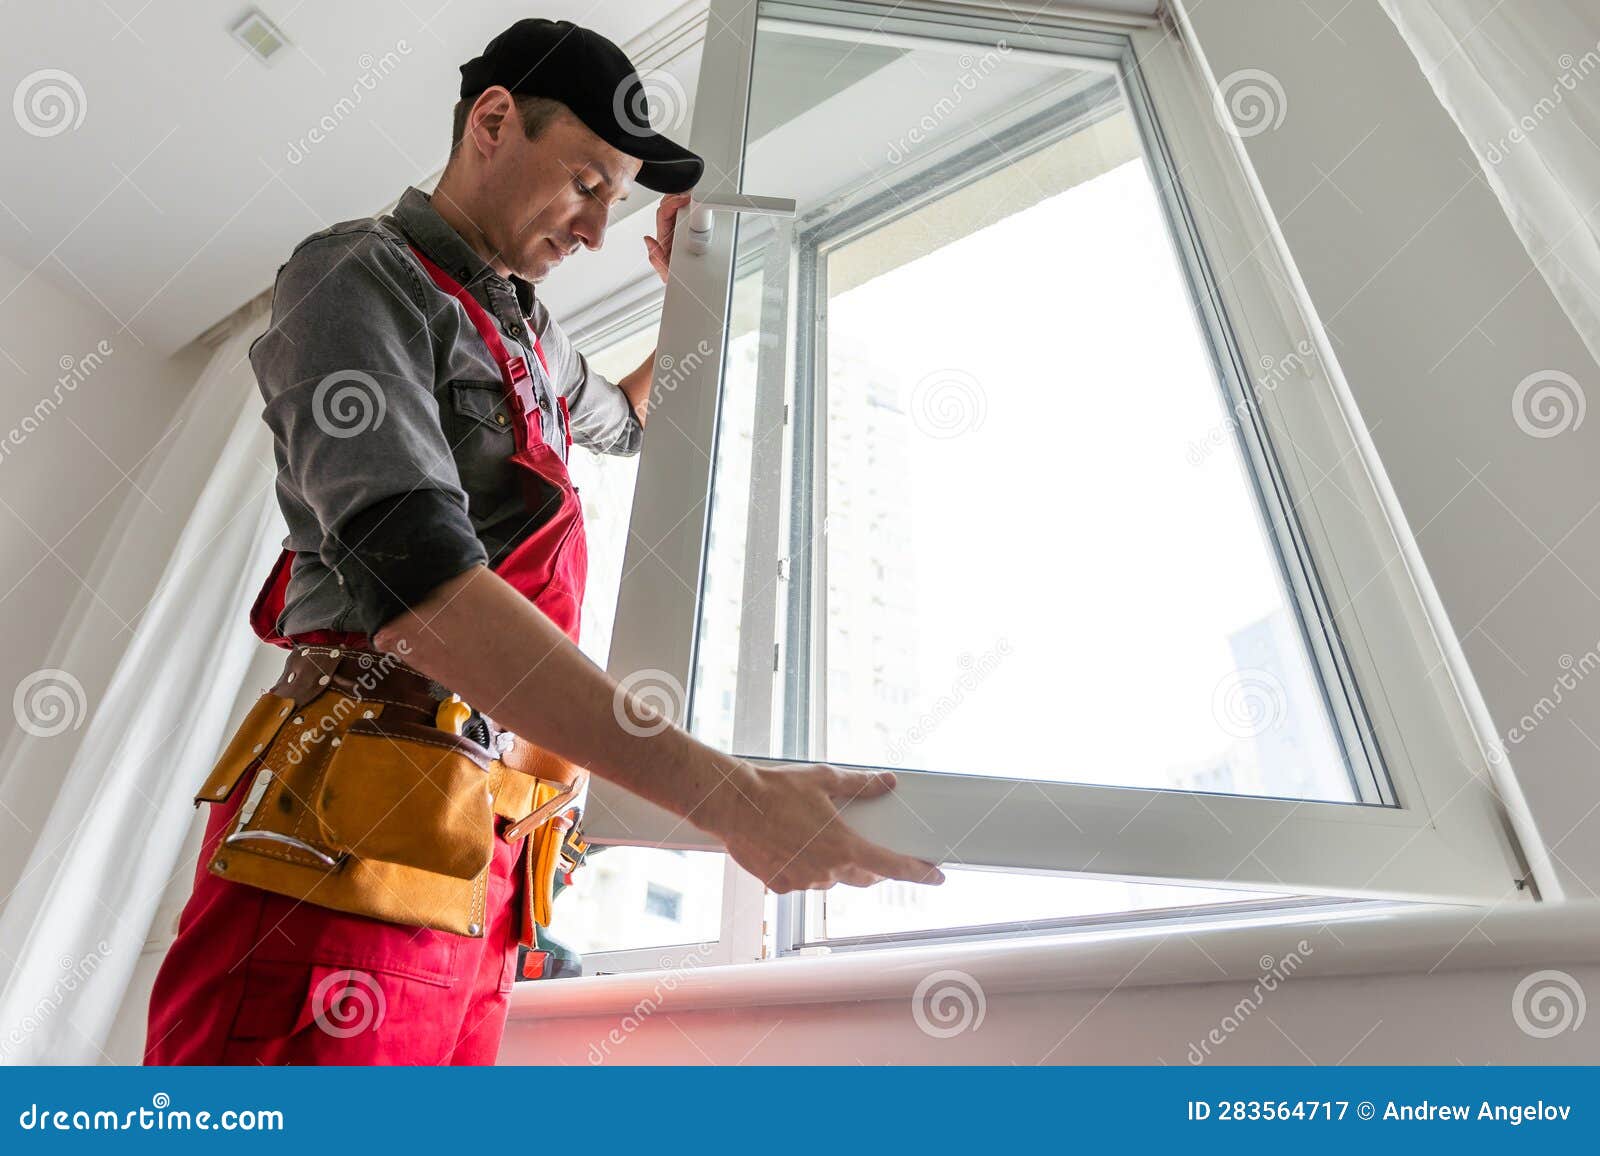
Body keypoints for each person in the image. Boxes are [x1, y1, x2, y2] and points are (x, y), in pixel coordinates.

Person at [144, 17, 942, 1067]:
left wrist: (692, 299)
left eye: (616, 200)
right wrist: (731, 797)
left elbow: (632, 418)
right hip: (348, 830)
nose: (597, 227)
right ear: (492, 120)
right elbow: (419, 585)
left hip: (487, 855)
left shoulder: (530, 333)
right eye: (585, 182)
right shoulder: (356, 278)